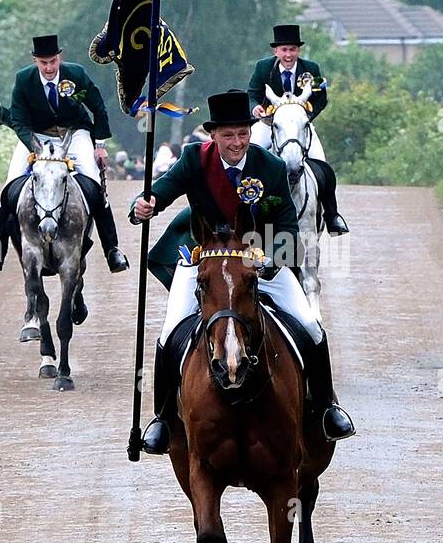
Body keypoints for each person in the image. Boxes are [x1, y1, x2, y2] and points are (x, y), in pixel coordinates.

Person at [129, 89, 355, 455]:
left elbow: (288, 226)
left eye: (242, 134)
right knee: (170, 332)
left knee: (311, 327)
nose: (236, 143)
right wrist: (145, 204)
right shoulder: (193, 159)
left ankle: (327, 407)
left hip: (259, 259)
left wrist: (270, 259)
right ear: (213, 136)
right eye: (228, 135)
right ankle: (164, 419)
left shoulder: (270, 167)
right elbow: (163, 191)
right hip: (206, 258)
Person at [0, 34, 129, 275]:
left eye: (53, 62)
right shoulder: (24, 80)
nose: (49, 68)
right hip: (37, 135)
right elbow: (19, 120)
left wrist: (99, 144)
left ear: (60, 58)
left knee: (93, 183)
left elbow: (97, 106)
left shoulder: (75, 75)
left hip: (74, 132)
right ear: (36, 61)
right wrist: (34, 147)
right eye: (43, 63)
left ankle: (113, 250)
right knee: (9, 186)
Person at [247, 24, 349, 235]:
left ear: (298, 51)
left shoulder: (311, 69)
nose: (288, 54)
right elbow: (252, 93)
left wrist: (306, 117)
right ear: (276, 51)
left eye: (292, 50)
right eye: (284, 50)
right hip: (269, 123)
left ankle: (332, 216)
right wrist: (255, 107)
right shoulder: (263, 68)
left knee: (323, 166)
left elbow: (321, 98)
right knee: (248, 160)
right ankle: (242, 213)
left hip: (301, 126)